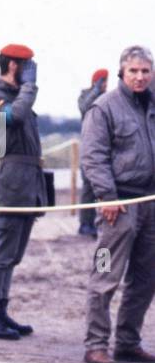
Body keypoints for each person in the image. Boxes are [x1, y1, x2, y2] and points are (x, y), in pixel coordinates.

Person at [80, 45, 155, 363]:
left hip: (150, 203)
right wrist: (106, 197)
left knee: (146, 278)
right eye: (133, 71)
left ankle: (128, 341)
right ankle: (96, 344)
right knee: (105, 272)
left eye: (145, 71)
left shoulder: (152, 104)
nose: (139, 77)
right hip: (117, 207)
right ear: (122, 73)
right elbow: (92, 156)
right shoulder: (104, 107)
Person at [0, 43, 48, 340]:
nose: (30, 72)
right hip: (12, 181)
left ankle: (1, 310)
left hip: (28, 181)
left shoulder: (18, 95)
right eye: (27, 66)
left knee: (14, 254)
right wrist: (30, 85)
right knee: (4, 253)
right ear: (13, 66)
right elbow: (15, 117)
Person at [77, 69, 109, 237]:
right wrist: (96, 89)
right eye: (103, 81)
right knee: (88, 188)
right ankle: (85, 223)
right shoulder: (85, 96)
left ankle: (98, 222)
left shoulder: (108, 98)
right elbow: (84, 108)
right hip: (88, 147)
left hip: (104, 148)